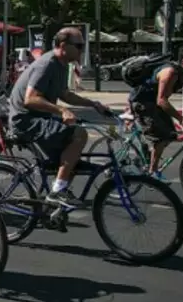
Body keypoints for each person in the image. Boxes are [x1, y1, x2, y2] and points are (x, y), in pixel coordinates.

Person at [7, 27, 115, 208]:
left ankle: (59, 192)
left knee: (70, 157)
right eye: (79, 45)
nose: (82, 49)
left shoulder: (62, 64)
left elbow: (65, 94)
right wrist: (61, 111)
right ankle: (57, 191)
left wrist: (93, 104)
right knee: (79, 134)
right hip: (25, 120)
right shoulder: (47, 64)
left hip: (39, 117)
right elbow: (31, 98)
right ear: (64, 45)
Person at [129, 45, 183, 180]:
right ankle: (153, 172)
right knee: (161, 136)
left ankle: (146, 157)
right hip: (143, 102)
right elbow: (162, 100)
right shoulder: (170, 72)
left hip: (155, 103)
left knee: (169, 133)